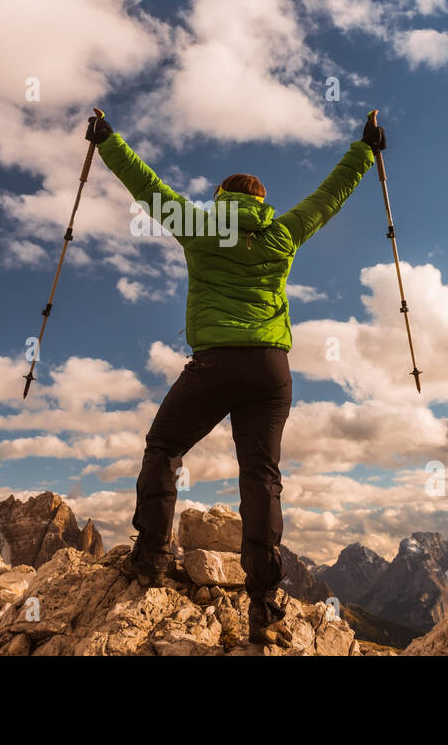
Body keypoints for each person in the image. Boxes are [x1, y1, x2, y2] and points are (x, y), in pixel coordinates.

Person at [85, 110, 386, 646]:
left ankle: (151, 558)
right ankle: (265, 607)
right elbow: (331, 195)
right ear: (261, 201)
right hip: (271, 369)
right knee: (261, 478)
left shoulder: (199, 228)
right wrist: (365, 148)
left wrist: (108, 138)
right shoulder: (282, 233)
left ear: (222, 198)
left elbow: (146, 185)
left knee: (164, 446)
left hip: (216, 363)